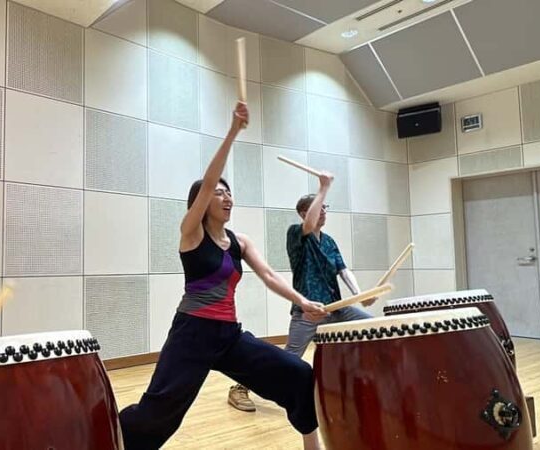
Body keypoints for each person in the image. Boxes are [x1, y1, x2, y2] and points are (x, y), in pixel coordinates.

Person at [118, 102, 327, 450]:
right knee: (158, 412)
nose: (226, 196)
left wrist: (302, 301)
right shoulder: (191, 233)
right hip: (192, 334)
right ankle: (108, 437)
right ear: (201, 202)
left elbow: (270, 275)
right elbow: (207, 184)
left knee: (298, 374)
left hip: (228, 337)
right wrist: (232, 133)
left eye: (229, 192)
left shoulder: (239, 241)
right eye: (218, 192)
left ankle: (312, 445)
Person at [227, 173, 375, 412]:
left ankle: (354, 382)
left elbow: (344, 270)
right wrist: (323, 188)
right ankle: (240, 387)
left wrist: (361, 294)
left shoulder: (329, 242)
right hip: (308, 311)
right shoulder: (296, 233)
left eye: (325, 207)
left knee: (373, 326)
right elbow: (308, 226)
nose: (324, 211)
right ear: (304, 213)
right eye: (319, 207)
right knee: (289, 359)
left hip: (336, 308)